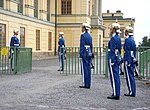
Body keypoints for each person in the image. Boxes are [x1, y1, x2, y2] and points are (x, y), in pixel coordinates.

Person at [107, 21, 122, 100]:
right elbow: (119, 49)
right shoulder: (118, 38)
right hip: (117, 57)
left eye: (110, 29)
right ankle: (116, 92)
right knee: (116, 76)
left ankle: (116, 93)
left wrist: (112, 60)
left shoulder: (113, 38)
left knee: (113, 76)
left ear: (113, 29)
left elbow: (112, 50)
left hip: (112, 58)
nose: (109, 30)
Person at [123, 25, 136, 97]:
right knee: (131, 76)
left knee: (129, 76)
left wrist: (128, 61)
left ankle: (131, 91)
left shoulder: (127, 40)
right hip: (132, 59)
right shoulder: (132, 40)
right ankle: (132, 91)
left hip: (128, 59)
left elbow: (127, 51)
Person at [79, 23, 93, 89]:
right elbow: (91, 46)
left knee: (84, 69)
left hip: (84, 53)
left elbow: (82, 45)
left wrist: (81, 54)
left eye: (82, 28)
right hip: (89, 52)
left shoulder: (83, 36)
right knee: (88, 69)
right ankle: (88, 83)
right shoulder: (90, 36)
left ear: (84, 28)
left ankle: (85, 83)